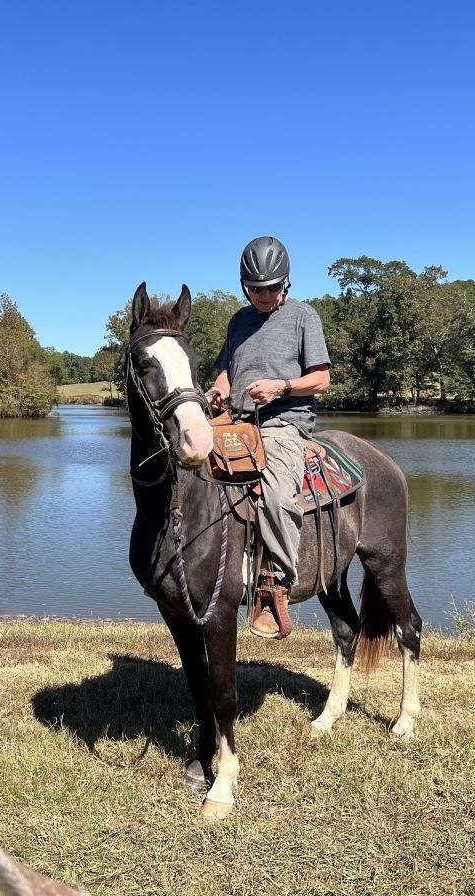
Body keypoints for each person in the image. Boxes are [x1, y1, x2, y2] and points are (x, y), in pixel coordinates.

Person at [206, 236, 331, 639]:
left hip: (283, 424)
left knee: (276, 494)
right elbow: (226, 371)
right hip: (236, 422)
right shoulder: (238, 321)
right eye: (256, 288)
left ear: (286, 284)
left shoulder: (303, 317)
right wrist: (218, 390)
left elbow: (322, 380)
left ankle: (276, 581)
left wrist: (281, 386)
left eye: (272, 288)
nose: (264, 295)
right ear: (245, 287)